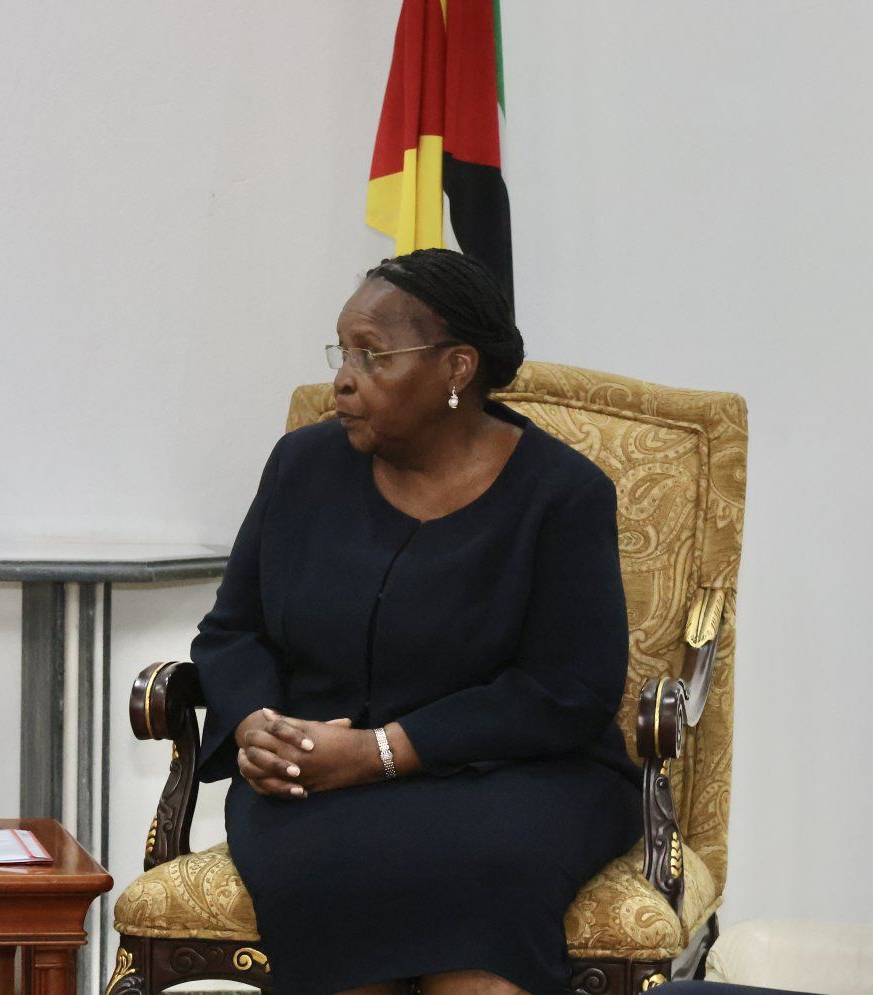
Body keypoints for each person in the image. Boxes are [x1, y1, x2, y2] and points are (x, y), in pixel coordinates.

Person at [193, 248, 640, 995]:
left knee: (491, 871)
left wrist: (380, 752)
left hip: (516, 779)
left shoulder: (561, 494)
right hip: (314, 781)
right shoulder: (300, 467)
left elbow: (567, 689)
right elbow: (232, 629)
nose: (342, 378)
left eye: (373, 354)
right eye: (342, 352)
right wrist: (254, 725)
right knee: (323, 870)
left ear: (456, 368)